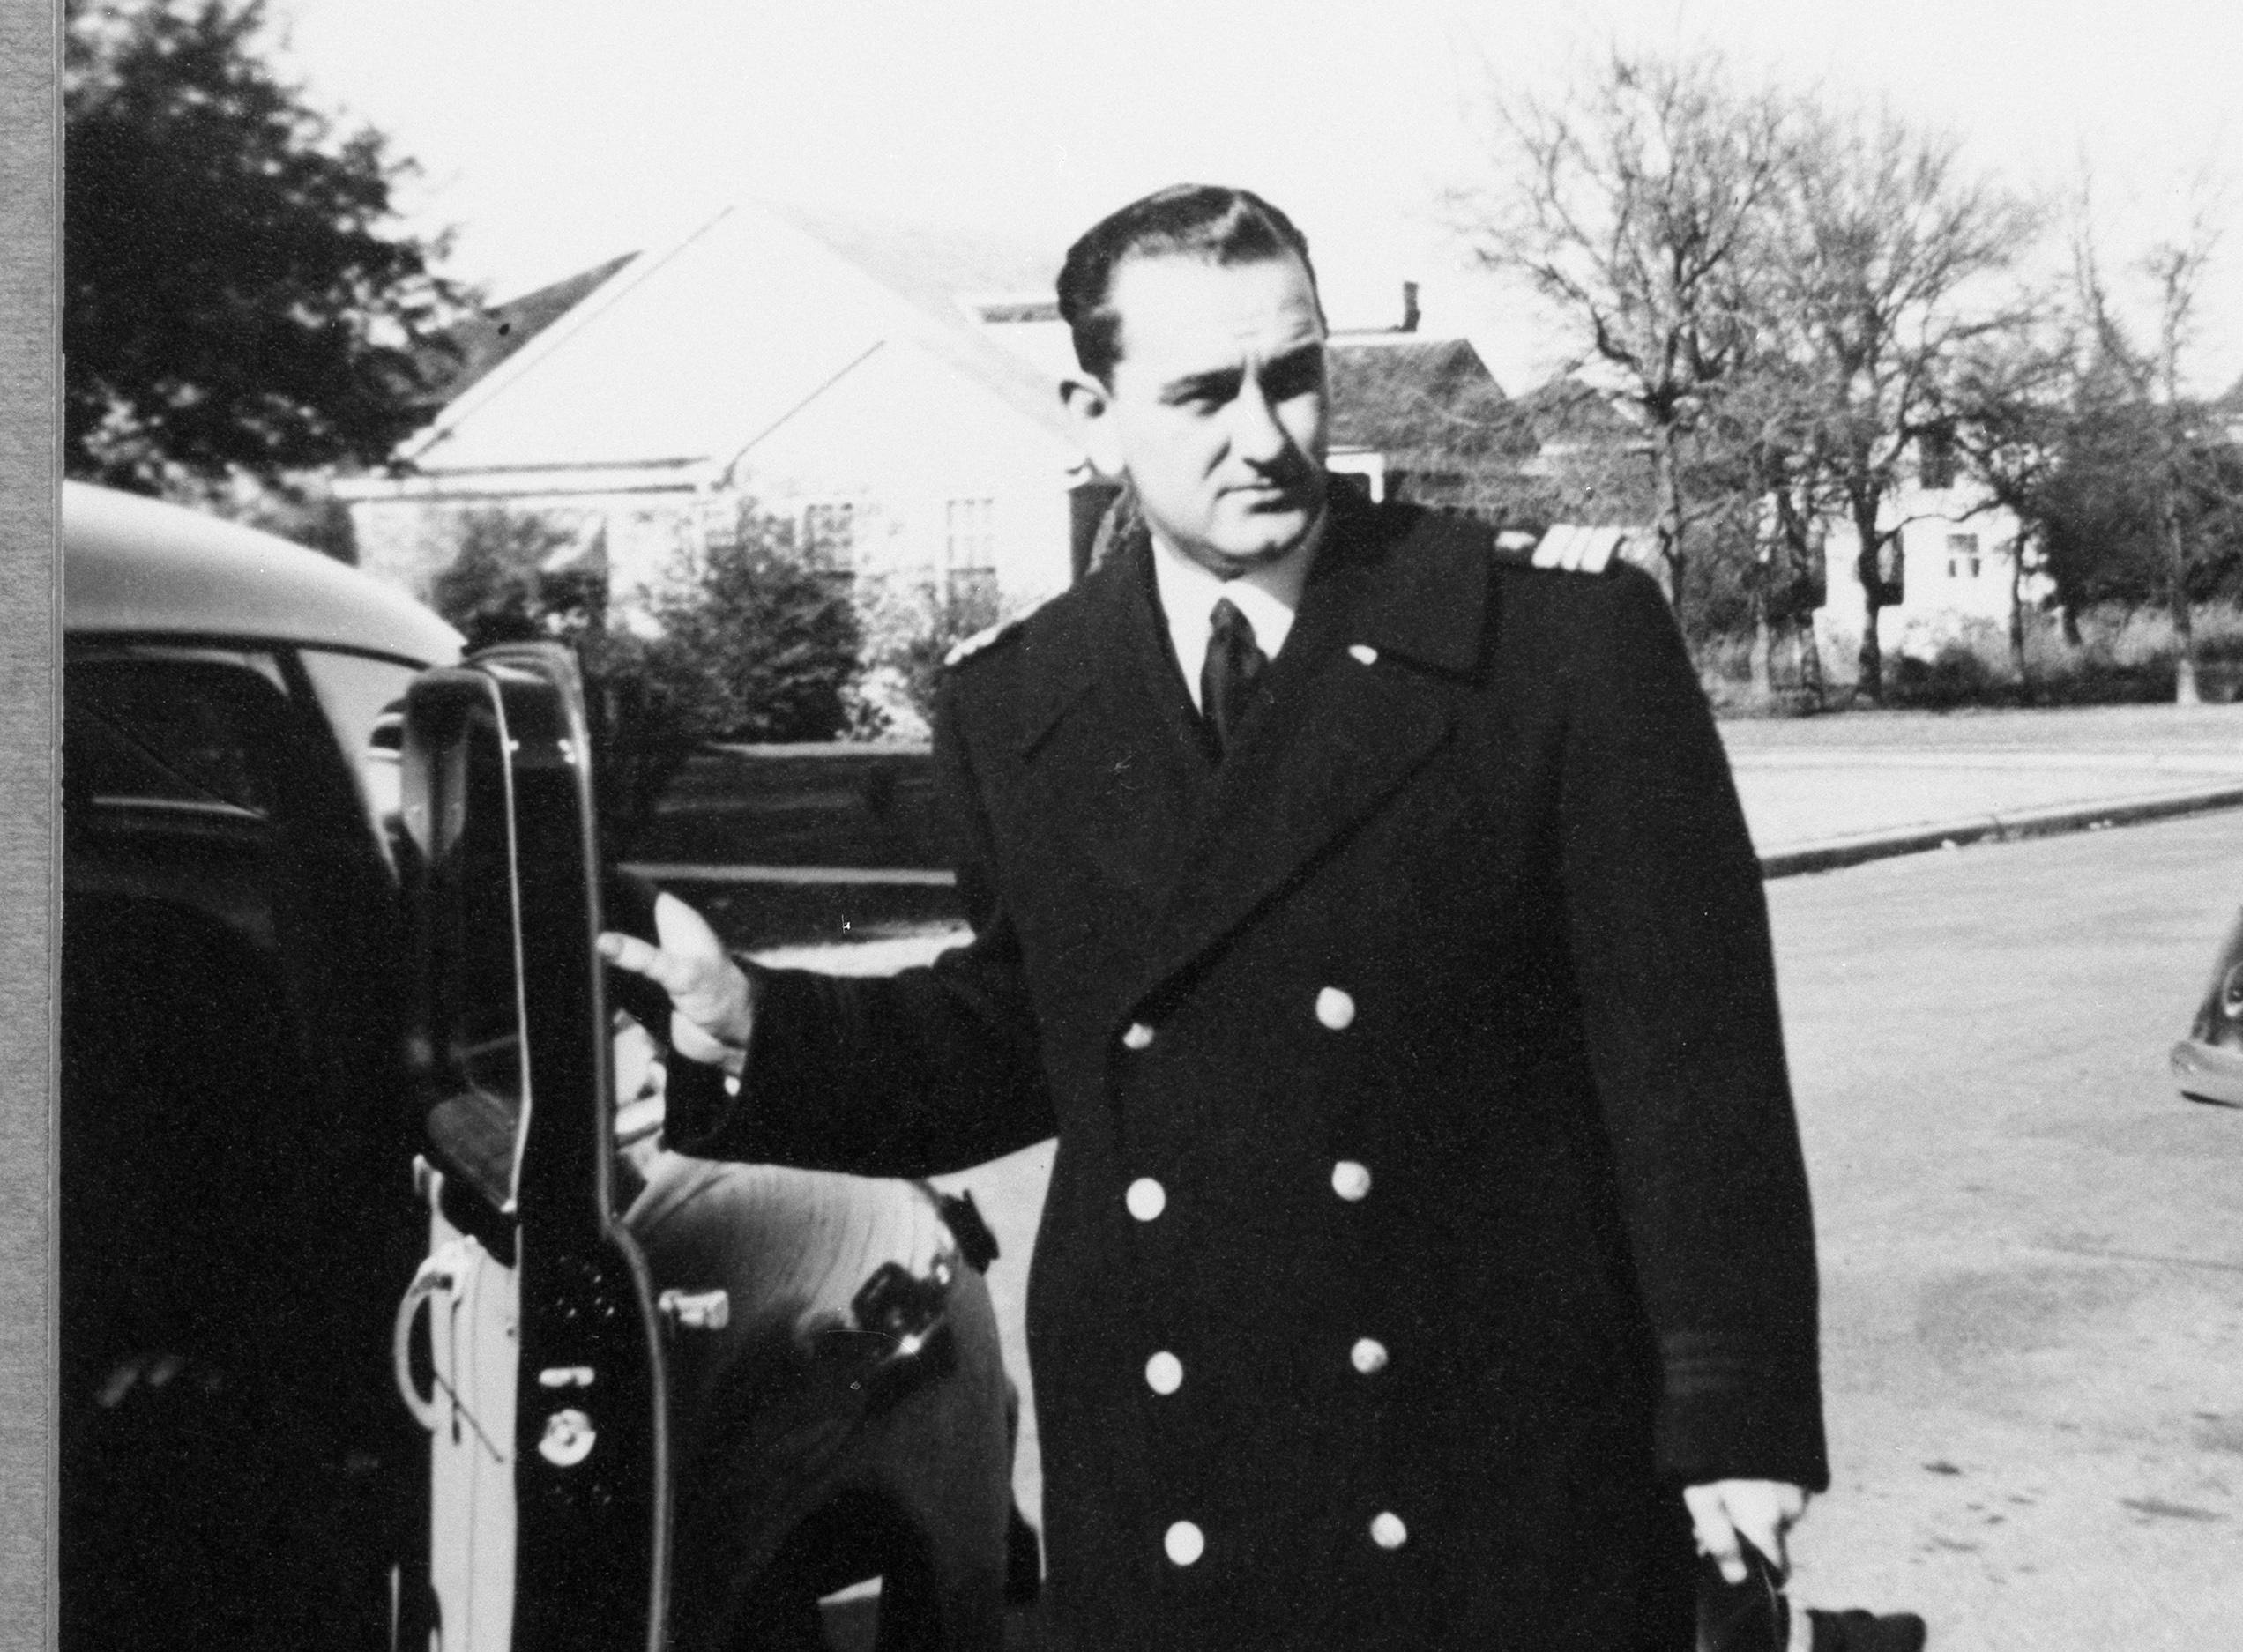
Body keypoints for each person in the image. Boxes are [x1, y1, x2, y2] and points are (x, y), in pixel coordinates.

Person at [603, 182, 1828, 1652]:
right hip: (1174, 1481)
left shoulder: (1551, 643)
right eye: (1200, 393)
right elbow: (1024, 1028)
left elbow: (1693, 1070)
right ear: (1091, 408)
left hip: (1494, 1463)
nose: (1265, 434)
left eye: (1293, 375)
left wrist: (1733, 1411)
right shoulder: (1020, 699)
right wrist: (762, 1024)